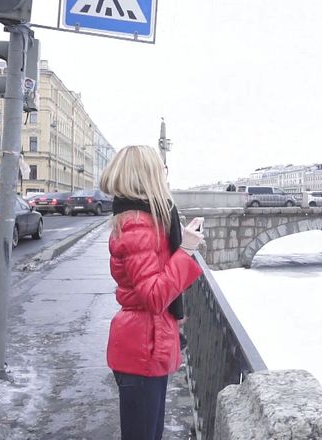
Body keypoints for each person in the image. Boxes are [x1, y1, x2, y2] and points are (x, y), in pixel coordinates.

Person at [99, 145, 204, 440]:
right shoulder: (138, 225)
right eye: (161, 169)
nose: (164, 175)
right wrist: (185, 249)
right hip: (142, 345)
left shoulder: (142, 220)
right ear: (147, 176)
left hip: (147, 342)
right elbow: (155, 296)